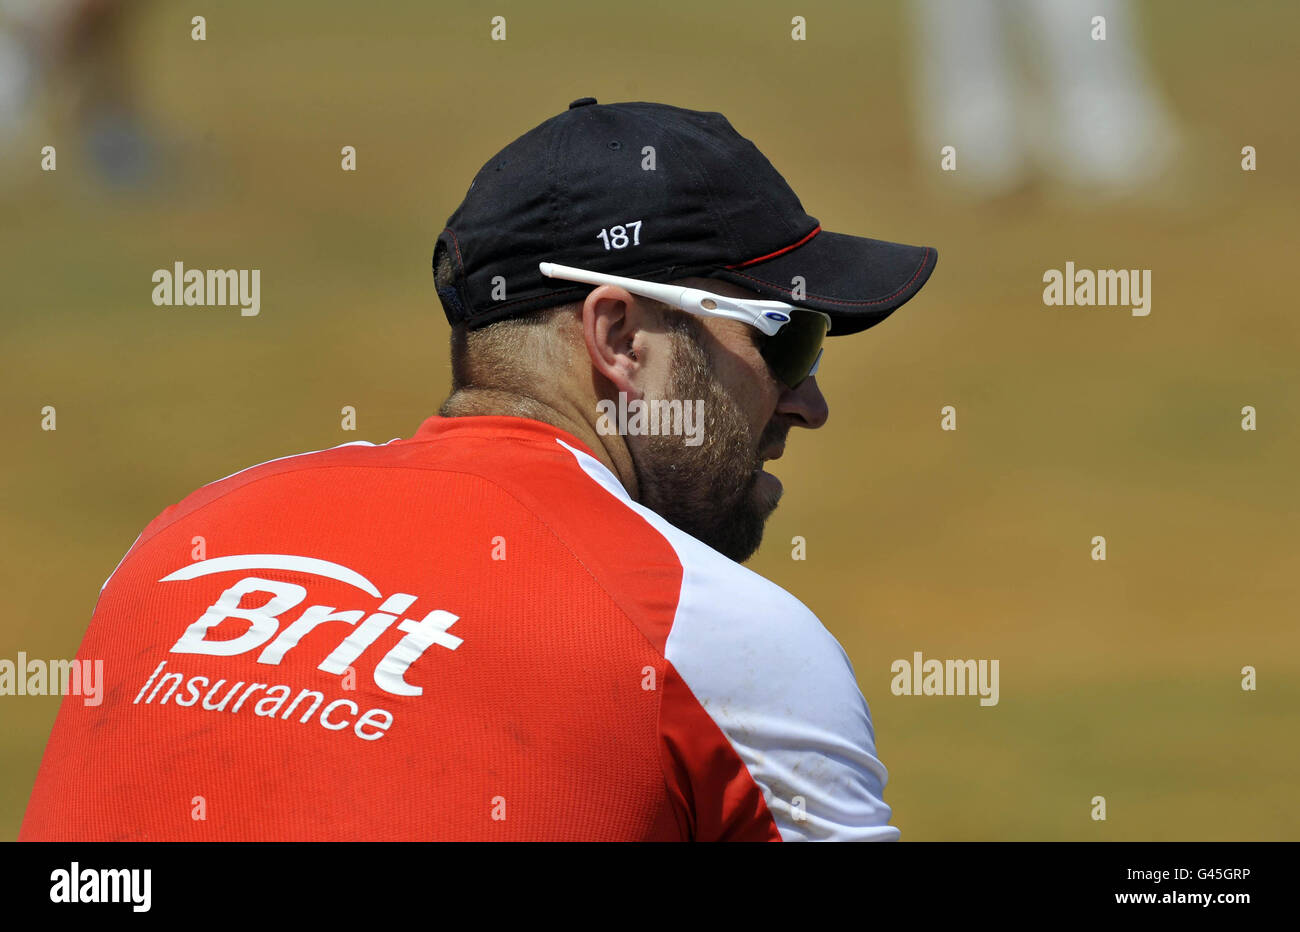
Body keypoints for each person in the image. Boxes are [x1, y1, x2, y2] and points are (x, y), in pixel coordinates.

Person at [20, 99, 937, 841]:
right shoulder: (722, 643)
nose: (807, 402)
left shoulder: (177, 548)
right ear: (619, 336)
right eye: (789, 339)